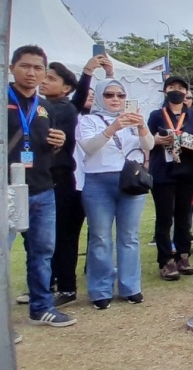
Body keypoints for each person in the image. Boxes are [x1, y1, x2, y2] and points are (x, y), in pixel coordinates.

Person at [6, 45, 75, 328]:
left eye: (38, 68)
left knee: (42, 252)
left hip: (43, 188)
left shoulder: (45, 106)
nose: (31, 73)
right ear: (11, 68)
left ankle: (41, 307)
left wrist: (58, 145)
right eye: (25, 66)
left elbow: (48, 148)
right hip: (7, 189)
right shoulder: (3, 100)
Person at [76, 79, 154, 309]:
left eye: (120, 95)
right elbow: (89, 147)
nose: (115, 100)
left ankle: (131, 286)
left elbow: (148, 145)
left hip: (130, 180)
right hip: (98, 181)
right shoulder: (88, 120)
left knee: (129, 236)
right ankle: (100, 289)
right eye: (109, 95)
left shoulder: (133, 120)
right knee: (100, 237)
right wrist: (113, 127)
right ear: (101, 97)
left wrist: (141, 126)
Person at [41, 55, 108, 306]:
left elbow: (78, 101)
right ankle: (48, 283)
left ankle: (66, 286)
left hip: (68, 181)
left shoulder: (67, 109)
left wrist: (88, 71)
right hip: (46, 180)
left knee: (65, 236)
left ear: (66, 87)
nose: (43, 82)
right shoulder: (40, 107)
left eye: (50, 78)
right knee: (47, 238)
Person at [147, 76, 193, 280]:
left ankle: (183, 255)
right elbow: (144, 140)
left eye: (181, 88)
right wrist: (155, 140)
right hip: (163, 171)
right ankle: (166, 260)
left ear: (186, 92)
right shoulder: (156, 115)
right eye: (172, 87)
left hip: (188, 171)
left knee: (184, 216)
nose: (177, 91)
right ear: (165, 92)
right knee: (164, 217)